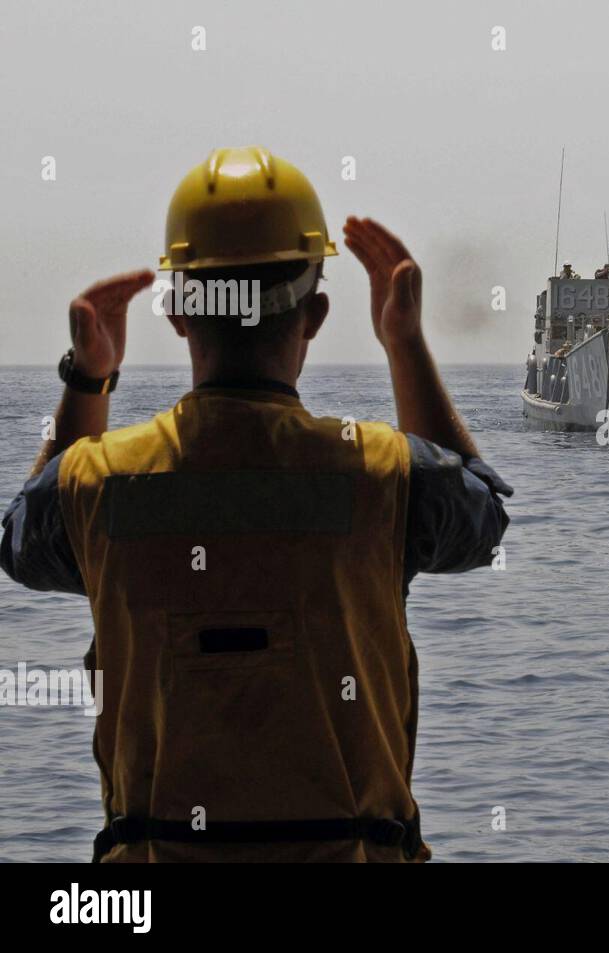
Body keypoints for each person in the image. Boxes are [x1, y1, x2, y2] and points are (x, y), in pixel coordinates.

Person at [0, 146, 512, 863]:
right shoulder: (382, 473)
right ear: (318, 313)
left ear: (179, 313)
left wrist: (88, 380)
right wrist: (405, 346)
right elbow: (484, 520)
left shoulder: (98, 481)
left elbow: (21, 540)